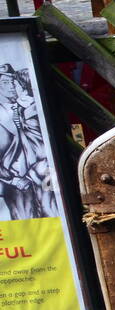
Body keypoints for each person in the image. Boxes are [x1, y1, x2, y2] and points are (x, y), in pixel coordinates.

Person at [0, 63, 57, 220]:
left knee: (52, 213)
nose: (11, 86)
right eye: (5, 83)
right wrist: (13, 179)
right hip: (17, 184)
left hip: (43, 173)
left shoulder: (29, 105)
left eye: (13, 82)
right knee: (25, 223)